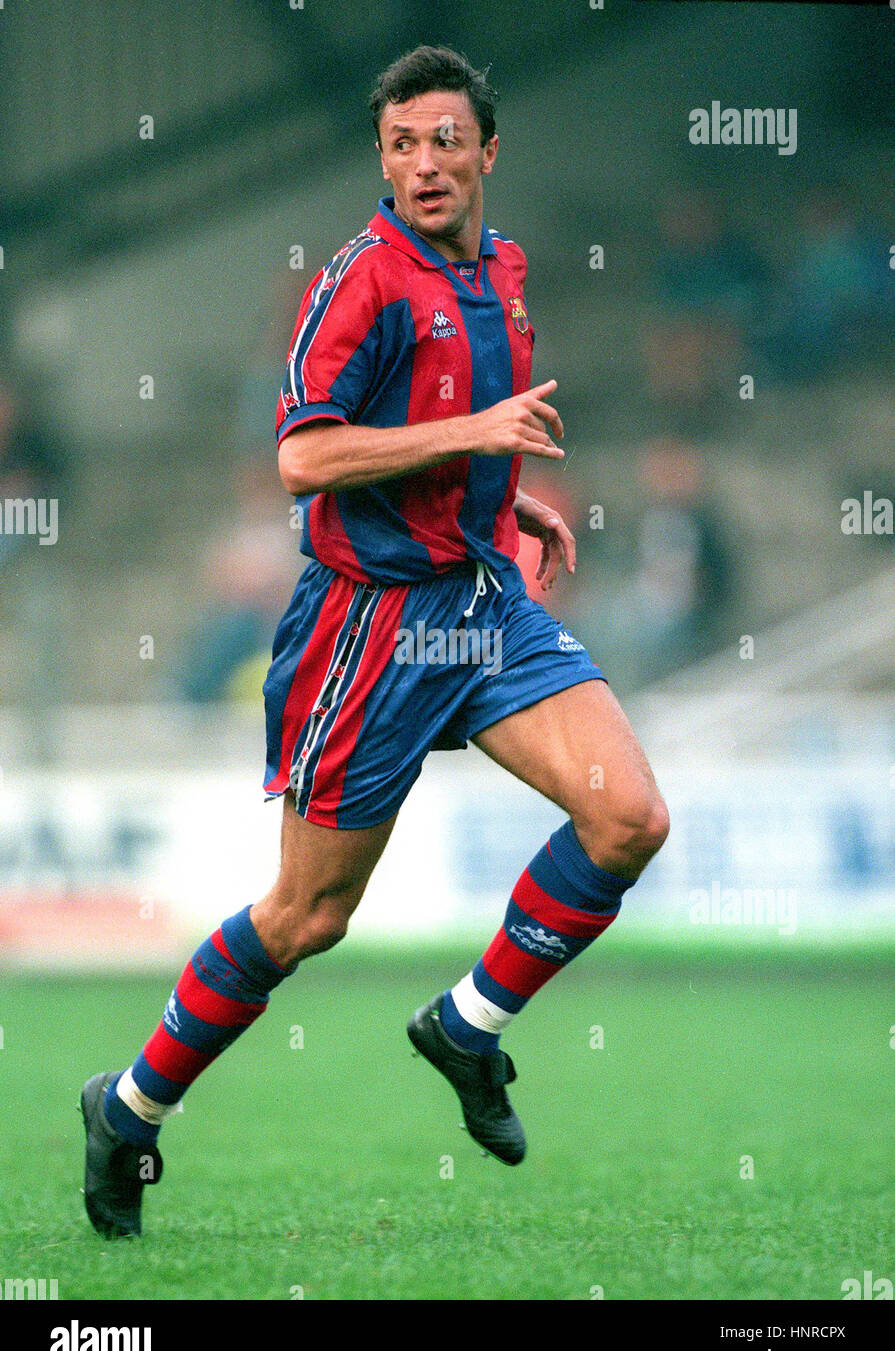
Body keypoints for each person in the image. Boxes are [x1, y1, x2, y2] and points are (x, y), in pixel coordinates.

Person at [80, 45, 669, 1238]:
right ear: (384, 162)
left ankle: (466, 1026)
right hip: (373, 627)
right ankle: (131, 1106)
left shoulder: (501, 268)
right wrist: (474, 433)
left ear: (487, 152)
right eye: (402, 145)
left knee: (629, 817)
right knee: (306, 917)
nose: (424, 164)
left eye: (445, 140)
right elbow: (303, 456)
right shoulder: (356, 281)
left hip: (485, 598)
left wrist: (505, 496)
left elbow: (465, 434)